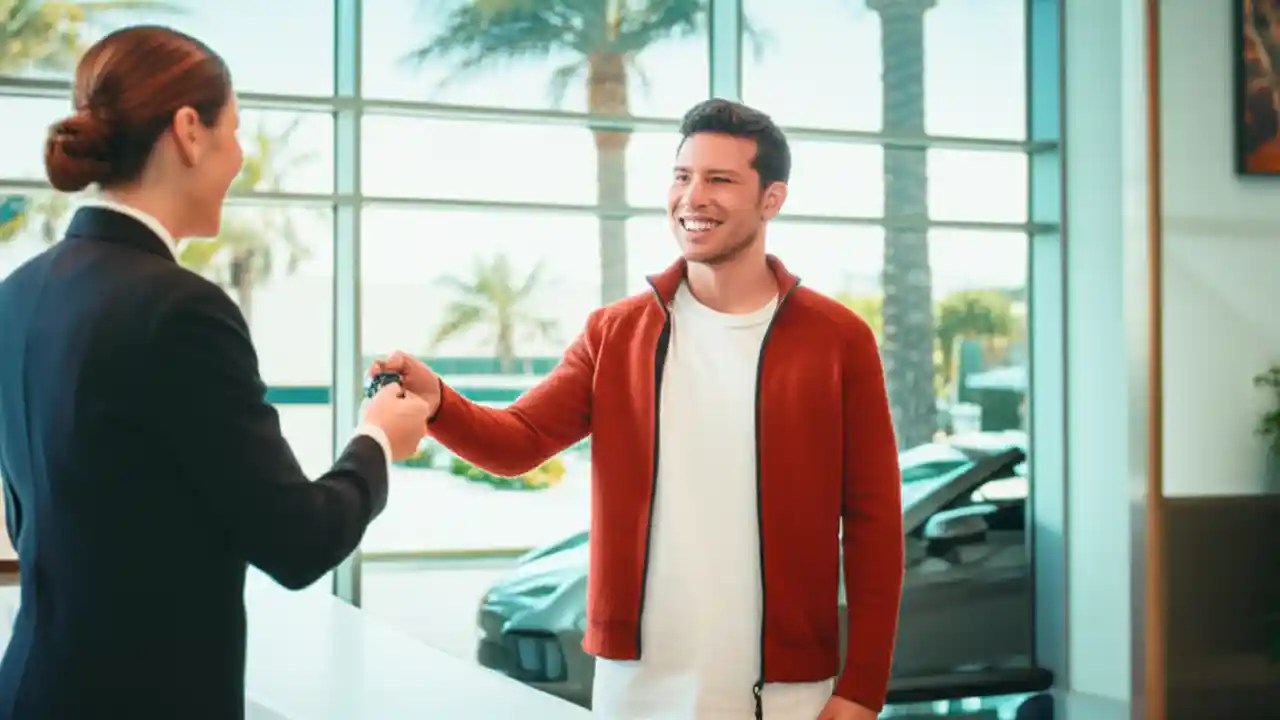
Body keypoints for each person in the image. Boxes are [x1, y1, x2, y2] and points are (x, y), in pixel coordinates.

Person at [371, 98, 905, 719]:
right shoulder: (616, 332)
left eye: (720, 180)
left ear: (772, 200)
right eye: (683, 176)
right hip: (638, 682)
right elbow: (518, 442)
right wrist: (439, 400)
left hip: (787, 689)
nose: (692, 197)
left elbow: (874, 523)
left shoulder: (837, 339)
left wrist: (862, 687)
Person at [0, 26, 432, 720]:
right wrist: (378, 438)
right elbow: (298, 542)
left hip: (29, 689)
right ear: (188, 131)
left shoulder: (17, 293)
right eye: (235, 131)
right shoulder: (179, 311)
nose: (238, 157)